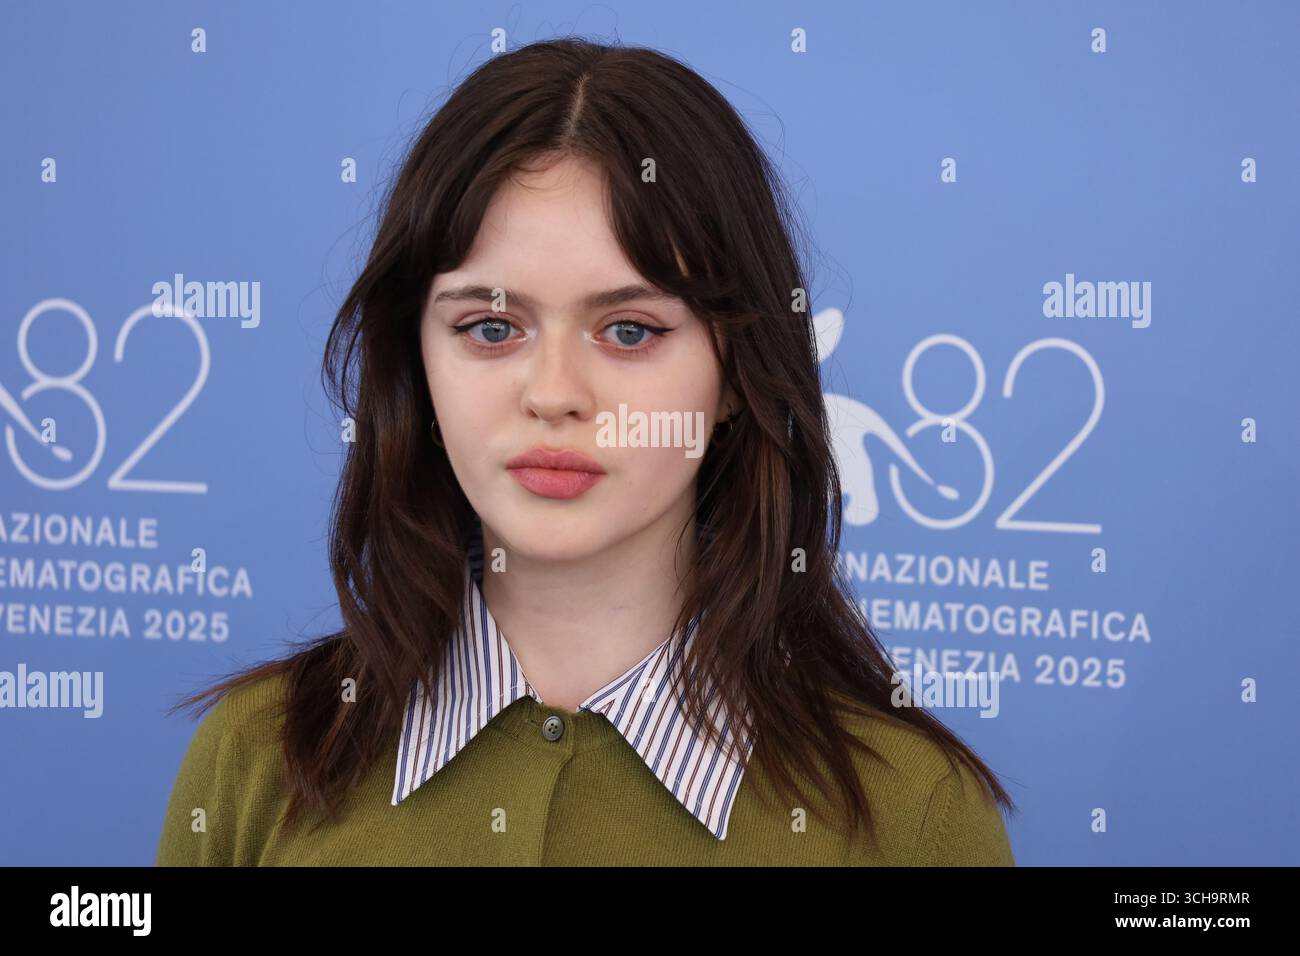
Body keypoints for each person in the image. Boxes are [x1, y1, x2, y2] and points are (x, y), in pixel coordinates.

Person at [156, 36, 1016, 866]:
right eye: (490, 327)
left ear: (735, 374)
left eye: (630, 330)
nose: (554, 392)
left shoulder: (913, 815)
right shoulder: (256, 758)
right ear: (415, 366)